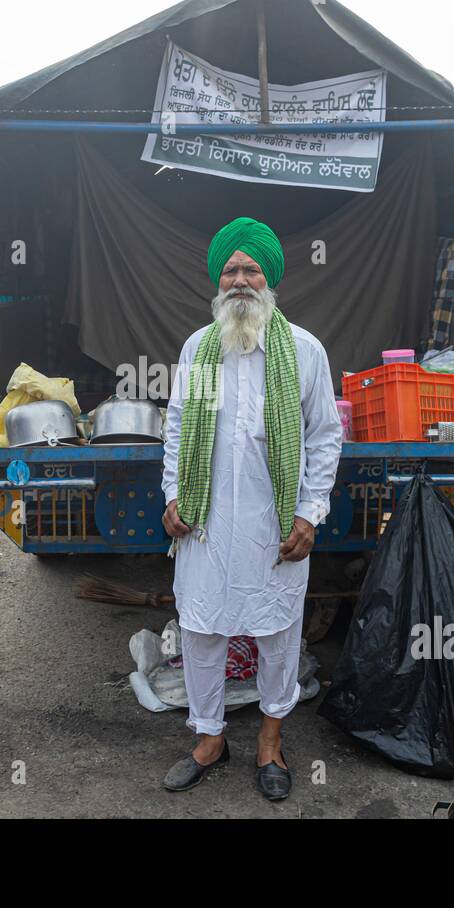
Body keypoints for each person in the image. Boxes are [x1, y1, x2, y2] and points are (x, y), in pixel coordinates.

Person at [160, 216, 342, 801]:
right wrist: (172, 497)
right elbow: (179, 427)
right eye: (231, 270)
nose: (240, 280)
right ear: (219, 281)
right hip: (206, 525)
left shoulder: (303, 352)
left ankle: (270, 741)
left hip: (274, 525)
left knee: (276, 634)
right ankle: (210, 739)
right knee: (202, 631)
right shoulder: (200, 350)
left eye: (251, 270)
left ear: (270, 281)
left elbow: (323, 437)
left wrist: (311, 513)